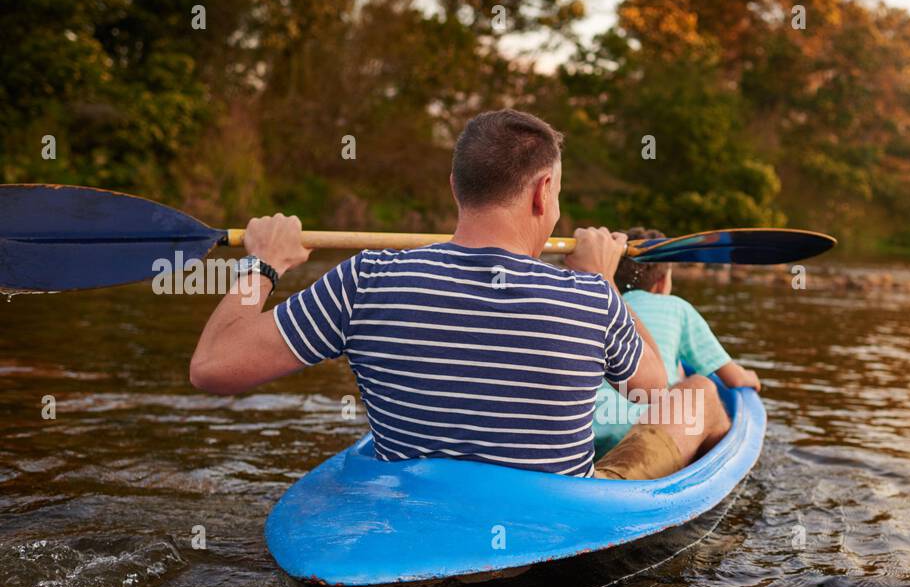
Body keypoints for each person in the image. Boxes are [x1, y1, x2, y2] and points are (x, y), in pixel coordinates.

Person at [188, 109, 726, 480]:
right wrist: (604, 279)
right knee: (699, 392)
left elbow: (212, 367)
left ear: (455, 187)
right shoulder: (587, 296)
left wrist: (263, 263)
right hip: (557, 521)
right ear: (543, 194)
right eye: (556, 193)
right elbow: (655, 391)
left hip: (419, 513)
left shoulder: (365, 278)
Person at [593, 228, 761, 463]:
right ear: (662, 283)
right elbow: (733, 378)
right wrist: (750, 378)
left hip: (595, 431)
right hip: (647, 433)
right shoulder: (676, 307)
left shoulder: (598, 300)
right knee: (709, 407)